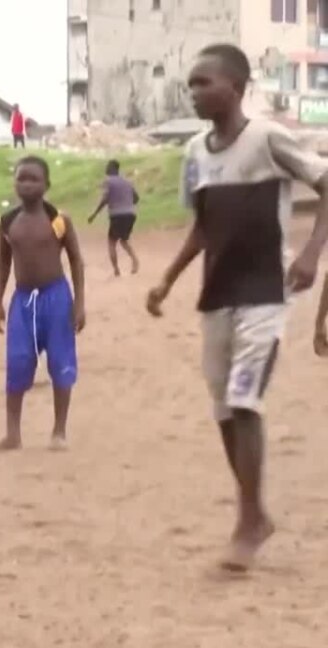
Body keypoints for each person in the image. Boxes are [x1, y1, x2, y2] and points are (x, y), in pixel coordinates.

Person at [146, 43, 328, 572]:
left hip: (267, 292)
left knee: (246, 399)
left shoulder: (268, 138)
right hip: (217, 294)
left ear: (237, 86)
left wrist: (313, 253)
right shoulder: (196, 155)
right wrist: (167, 280)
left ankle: (248, 520)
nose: (196, 92)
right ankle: (255, 512)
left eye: (205, 82)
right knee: (225, 409)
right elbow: (202, 227)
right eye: (191, 85)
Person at [0, 156, 86, 452]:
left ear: (47, 185)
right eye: (21, 178)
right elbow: (3, 262)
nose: (26, 184)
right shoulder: (7, 222)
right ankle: (13, 434)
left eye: (33, 179)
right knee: (17, 362)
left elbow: (75, 260)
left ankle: (59, 432)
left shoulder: (59, 220)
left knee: (61, 362)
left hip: (56, 298)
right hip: (23, 301)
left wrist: (80, 302)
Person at [87, 159, 141, 276]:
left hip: (117, 215)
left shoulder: (108, 181)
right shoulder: (127, 181)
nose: (106, 169)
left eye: (107, 167)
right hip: (130, 214)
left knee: (111, 242)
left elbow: (105, 198)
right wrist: (126, 202)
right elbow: (136, 198)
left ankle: (116, 270)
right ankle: (135, 260)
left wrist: (94, 214)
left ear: (112, 168)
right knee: (123, 240)